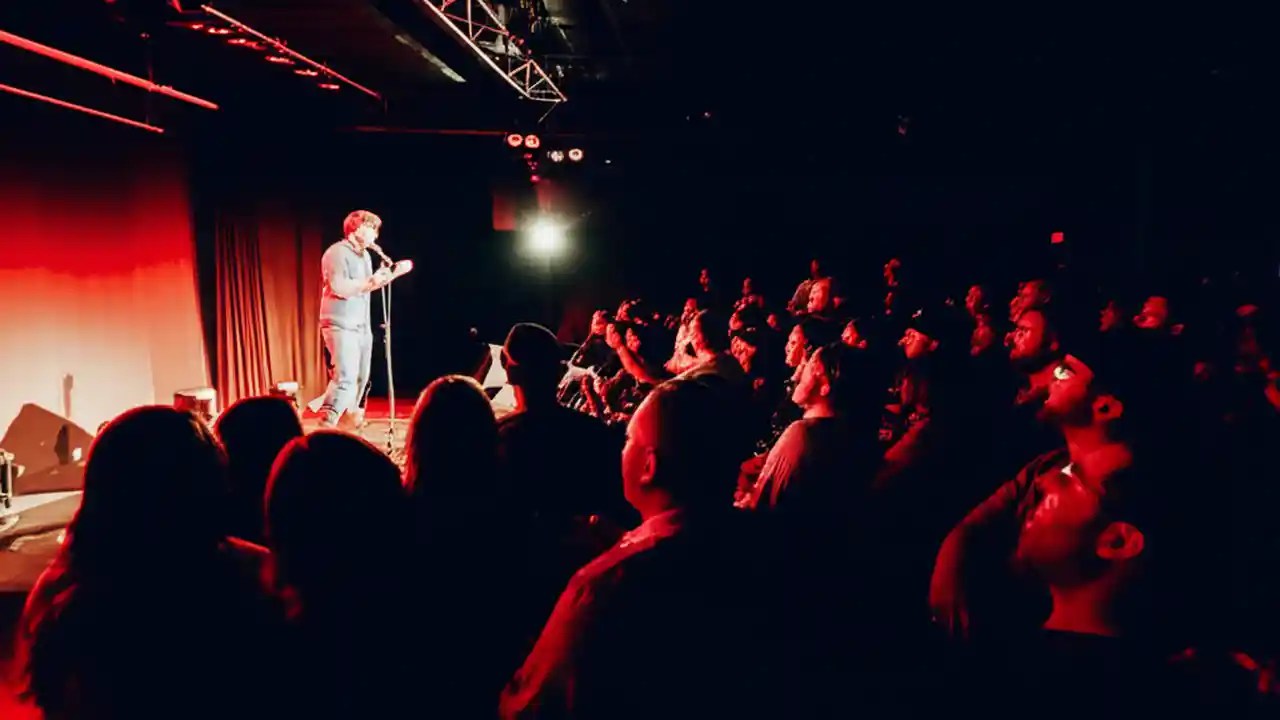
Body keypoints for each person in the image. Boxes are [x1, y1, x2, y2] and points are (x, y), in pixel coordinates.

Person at [500, 378, 783, 719]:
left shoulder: (602, 589)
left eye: (629, 440)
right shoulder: (765, 547)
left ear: (649, 468)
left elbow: (528, 707)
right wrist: (627, 541)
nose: (623, 449)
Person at [317, 210, 412, 429]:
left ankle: (350, 421)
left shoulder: (365, 256)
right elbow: (340, 287)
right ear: (356, 228)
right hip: (340, 322)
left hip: (361, 324)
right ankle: (327, 421)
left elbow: (369, 286)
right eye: (371, 229)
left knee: (361, 376)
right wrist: (370, 281)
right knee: (346, 376)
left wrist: (393, 273)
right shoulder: (336, 253)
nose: (375, 236)